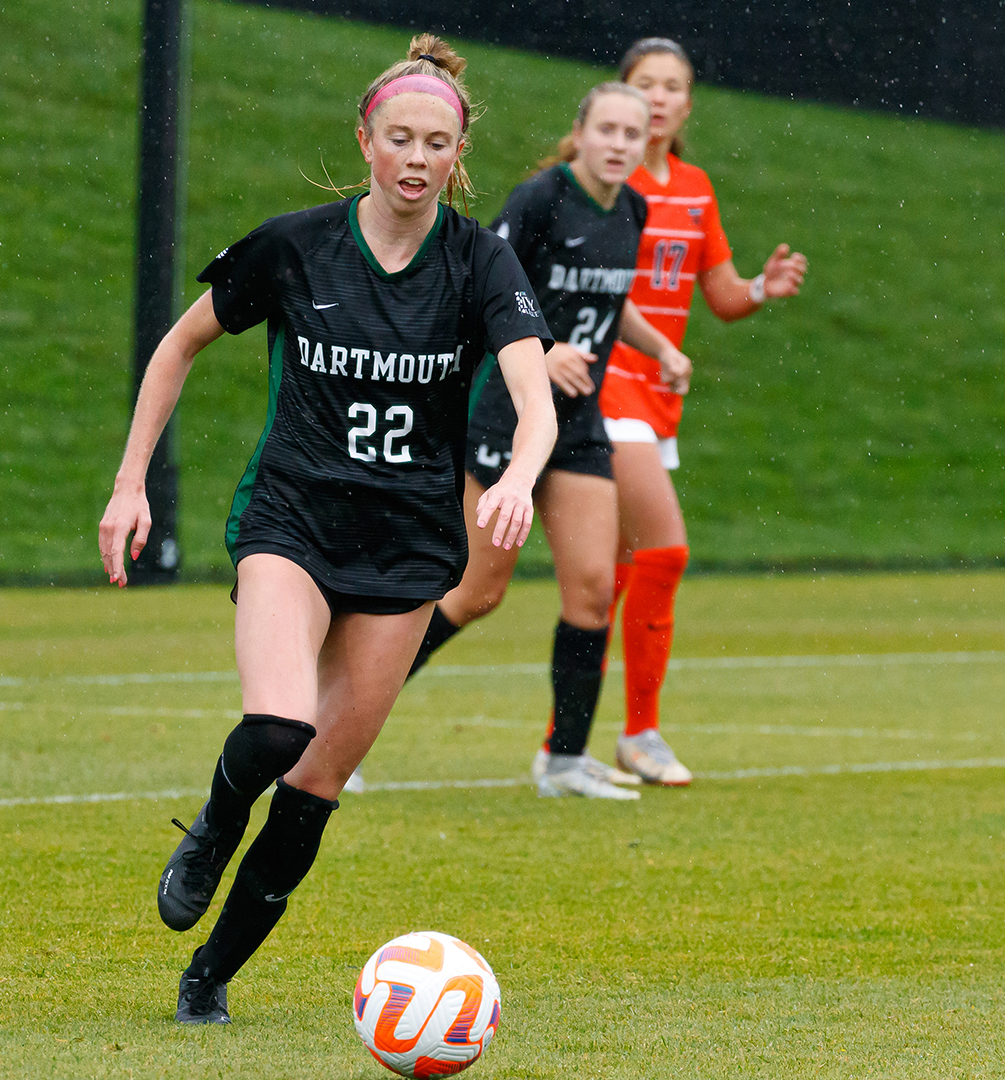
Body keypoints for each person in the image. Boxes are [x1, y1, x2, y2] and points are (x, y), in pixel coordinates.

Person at [98, 35, 556, 1025]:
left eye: (437, 142)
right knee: (277, 727)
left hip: (407, 550)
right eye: (400, 138)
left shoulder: (482, 262)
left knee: (312, 790)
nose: (416, 158)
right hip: (292, 522)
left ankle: (207, 978)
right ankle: (214, 827)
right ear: (365, 140)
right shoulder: (296, 247)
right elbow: (178, 346)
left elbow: (534, 395)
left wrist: (521, 471)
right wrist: (130, 484)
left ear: (458, 152)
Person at [389, 82, 692, 801]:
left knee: (592, 592)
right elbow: (480, 288)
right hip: (510, 416)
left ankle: (564, 761)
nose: (619, 143)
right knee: (475, 592)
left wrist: (660, 349)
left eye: (633, 133)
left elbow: (608, 302)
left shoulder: (634, 208)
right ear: (580, 133)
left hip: (579, 423)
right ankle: (344, 711)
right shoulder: (540, 200)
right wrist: (541, 349)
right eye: (607, 129)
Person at [599, 38, 809, 785]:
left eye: (672, 86)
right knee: (665, 552)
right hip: (604, 384)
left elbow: (719, 296)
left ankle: (568, 741)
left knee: (608, 574)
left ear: (688, 105)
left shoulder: (694, 187)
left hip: (659, 396)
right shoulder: (603, 180)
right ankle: (641, 732)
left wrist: (759, 289)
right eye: (645, 83)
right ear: (620, 93)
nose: (658, 97)